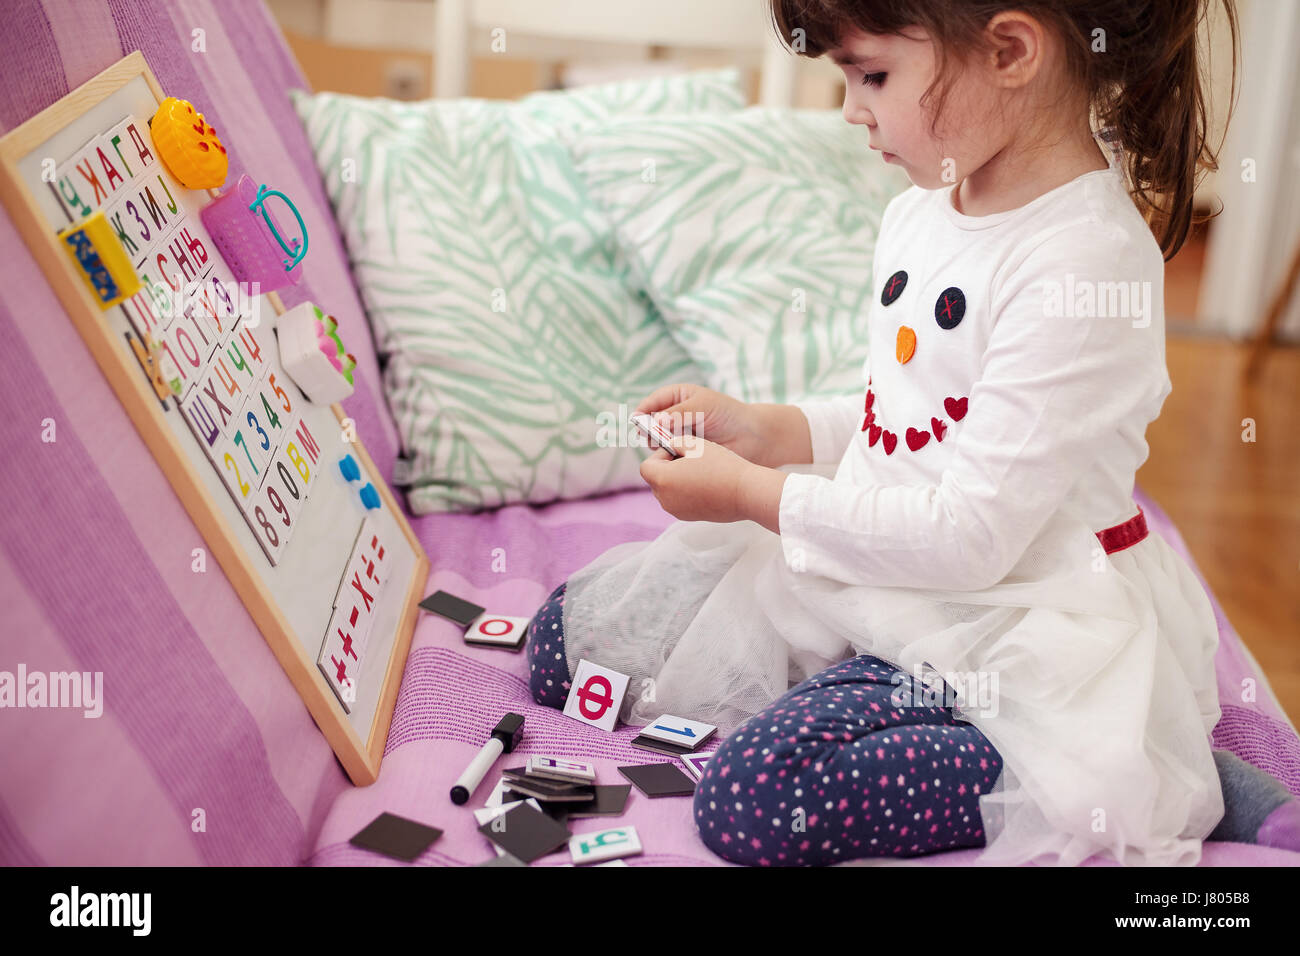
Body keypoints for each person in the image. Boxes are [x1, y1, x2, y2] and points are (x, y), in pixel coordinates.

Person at [526, 0, 1300, 866]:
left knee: (755, 800)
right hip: (882, 562)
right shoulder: (926, 209)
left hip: (1000, 614)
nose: (852, 109)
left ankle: (1120, 764)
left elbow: (971, 540)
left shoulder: (1082, 264)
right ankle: (935, 706)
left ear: (1009, 51)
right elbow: (907, 412)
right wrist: (769, 431)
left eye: (874, 75)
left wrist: (750, 496)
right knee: (566, 643)